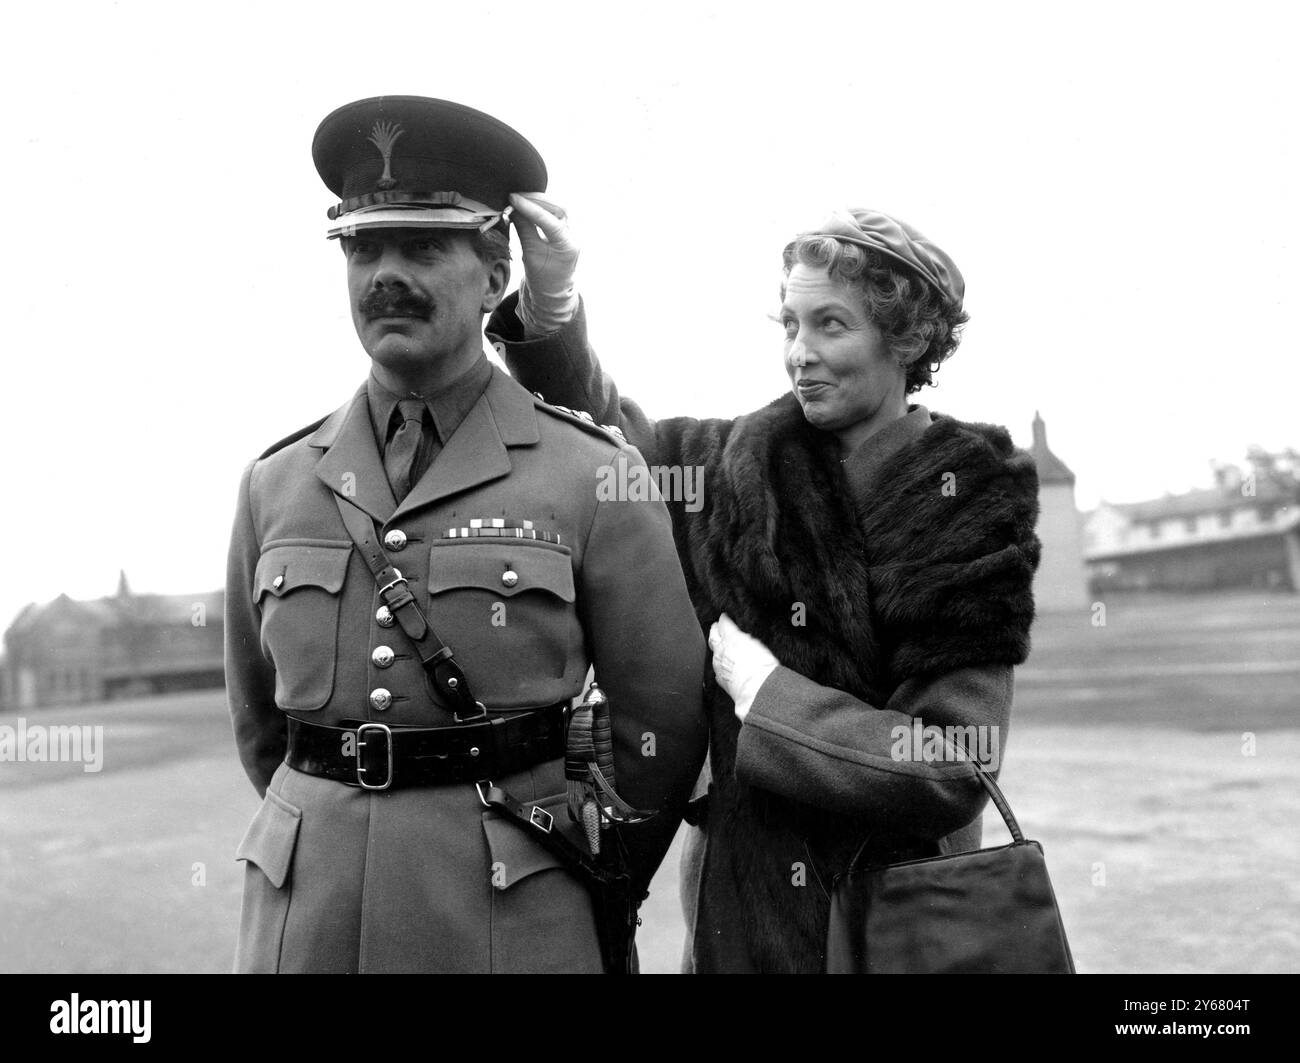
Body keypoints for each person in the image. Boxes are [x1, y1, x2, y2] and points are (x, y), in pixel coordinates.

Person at [489, 200, 1042, 973]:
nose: (800, 353)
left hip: (895, 922)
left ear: (909, 337)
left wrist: (769, 697)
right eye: (789, 323)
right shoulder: (731, 466)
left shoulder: (966, 497)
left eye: (831, 325)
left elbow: (953, 762)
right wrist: (552, 308)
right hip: (738, 917)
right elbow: (611, 436)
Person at [224, 96, 707, 974]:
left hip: (510, 920)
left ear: (494, 277)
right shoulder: (277, 481)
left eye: (422, 246)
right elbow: (262, 728)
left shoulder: (591, 470)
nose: (384, 274)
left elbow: (661, 728)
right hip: (306, 921)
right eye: (364, 247)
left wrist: (574, 875)